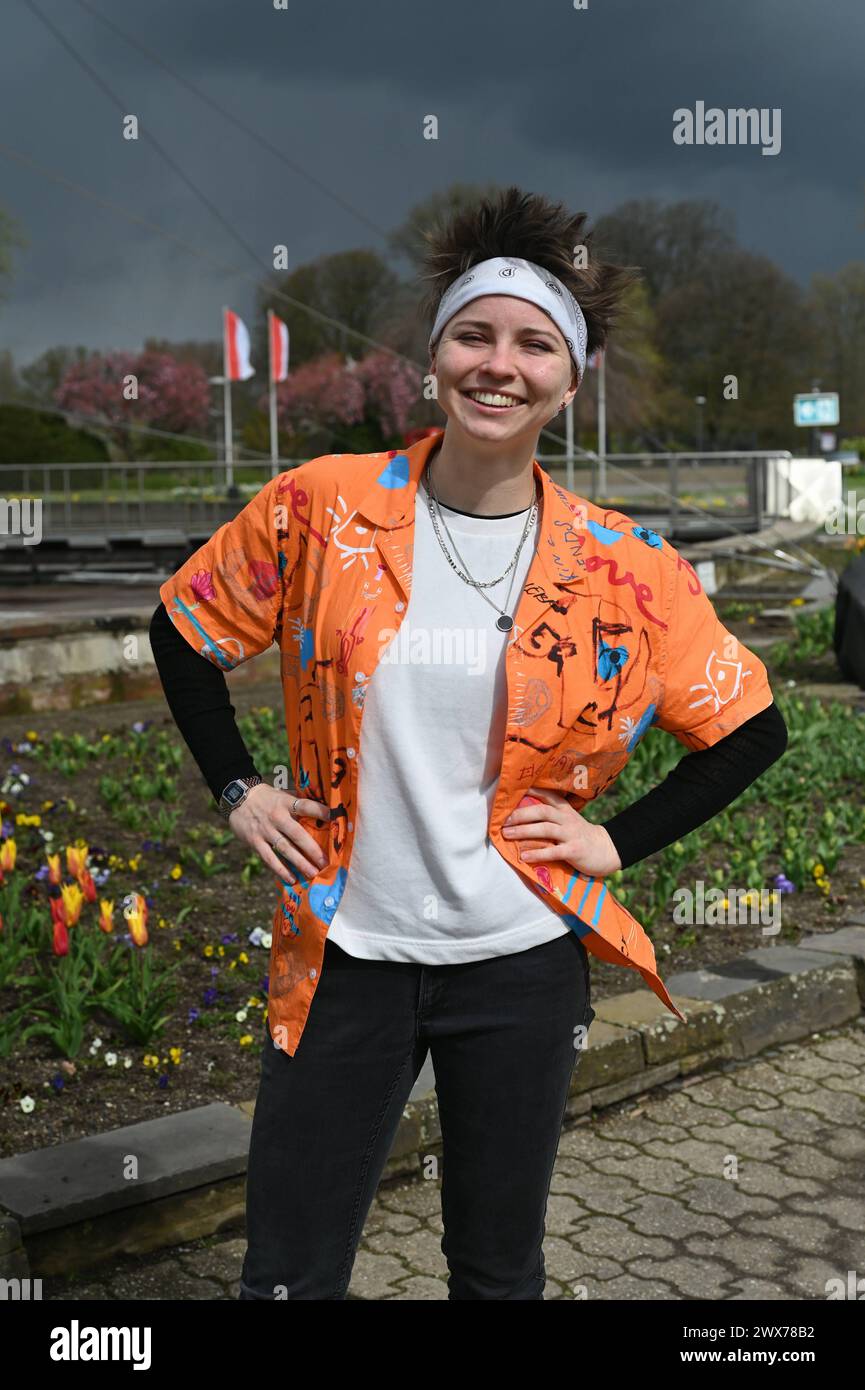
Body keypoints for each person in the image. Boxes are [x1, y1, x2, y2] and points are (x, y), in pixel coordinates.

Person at [150, 186, 787, 1300]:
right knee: (289, 1271)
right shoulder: (323, 507)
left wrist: (615, 845)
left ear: (570, 380)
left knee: (495, 1269)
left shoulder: (627, 568)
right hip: (347, 955)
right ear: (433, 357)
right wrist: (238, 788)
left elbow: (751, 726)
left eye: (534, 343)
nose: (501, 362)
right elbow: (184, 624)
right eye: (474, 333)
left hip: (520, 965)